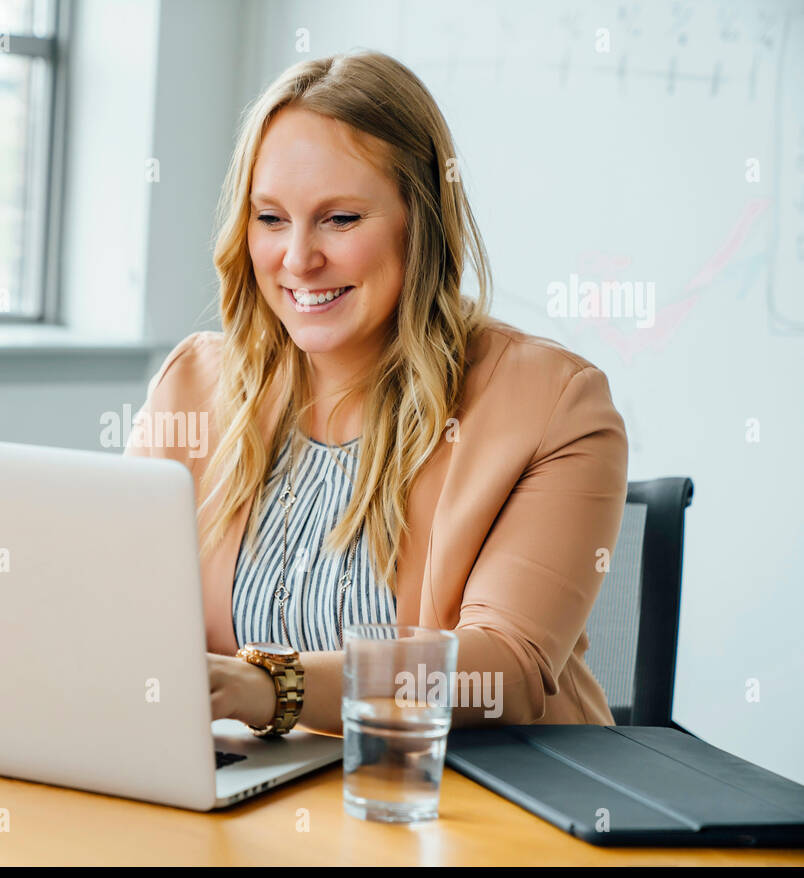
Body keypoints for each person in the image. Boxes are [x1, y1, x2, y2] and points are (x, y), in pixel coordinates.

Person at [124, 50, 628, 735]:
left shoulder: (554, 403)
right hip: (262, 799)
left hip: (471, 808)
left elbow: (503, 667)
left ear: (418, 220)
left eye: (340, 219)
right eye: (270, 218)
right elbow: (120, 611)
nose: (298, 259)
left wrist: (272, 687)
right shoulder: (192, 386)